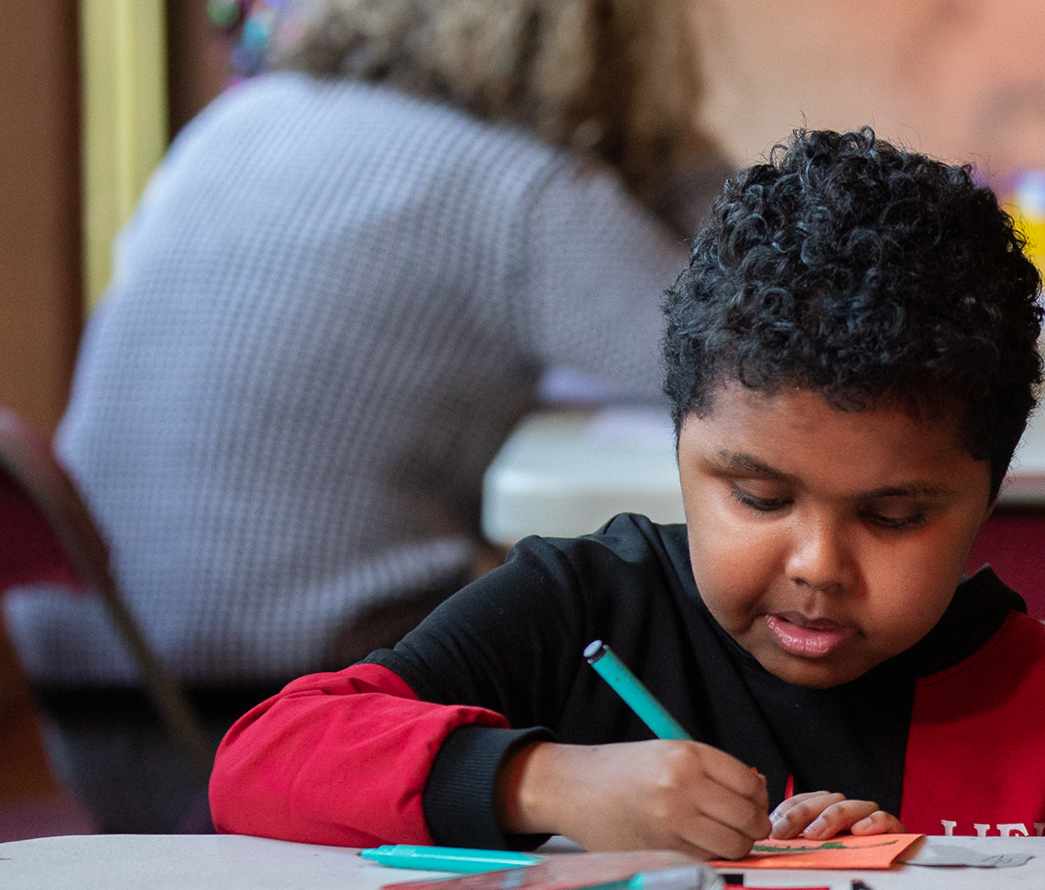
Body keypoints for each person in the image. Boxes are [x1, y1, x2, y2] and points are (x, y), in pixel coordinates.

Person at [210, 128, 1045, 858]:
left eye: (893, 516)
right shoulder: (581, 612)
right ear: (680, 447)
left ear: (986, 495)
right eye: (758, 498)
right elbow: (260, 762)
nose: (818, 567)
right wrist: (543, 785)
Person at [3, 0, 724, 834]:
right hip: (293, 719)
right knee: (662, 637)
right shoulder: (517, 190)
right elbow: (744, 352)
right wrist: (667, 145)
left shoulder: (235, 127)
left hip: (95, 701)